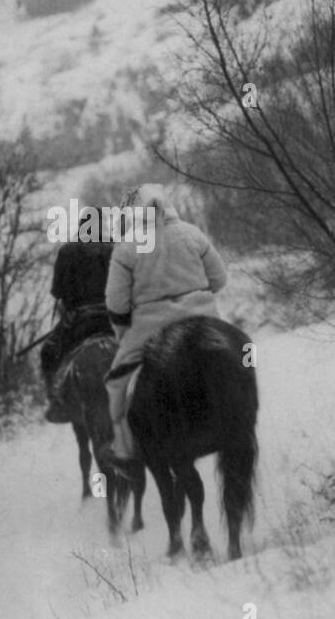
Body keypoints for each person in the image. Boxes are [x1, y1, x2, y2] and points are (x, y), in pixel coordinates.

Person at [104, 184, 227, 471]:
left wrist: (123, 331)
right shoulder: (192, 233)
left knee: (116, 383)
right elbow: (219, 279)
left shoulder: (127, 247)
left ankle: (124, 449)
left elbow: (116, 303)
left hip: (151, 328)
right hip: (205, 321)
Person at [41, 205, 114, 423]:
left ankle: (57, 401)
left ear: (82, 226)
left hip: (79, 320)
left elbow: (57, 292)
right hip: (113, 318)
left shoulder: (67, 251)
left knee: (48, 352)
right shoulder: (115, 248)